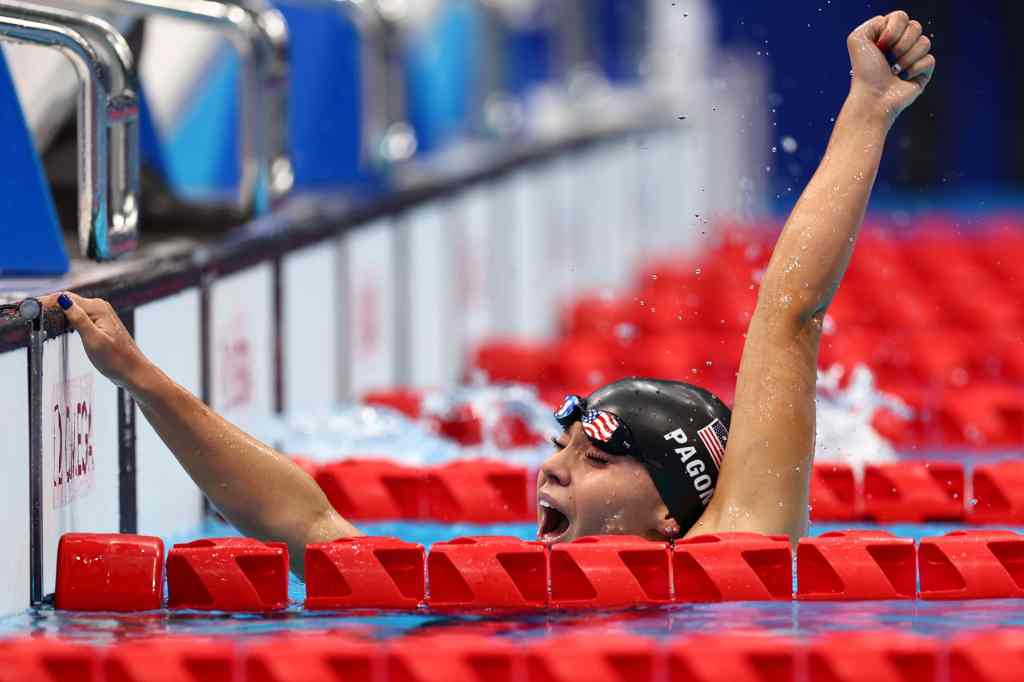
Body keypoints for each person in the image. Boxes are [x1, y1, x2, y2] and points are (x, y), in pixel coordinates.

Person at [44, 10, 934, 578]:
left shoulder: (735, 550)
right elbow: (304, 520)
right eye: (563, 447)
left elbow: (790, 314)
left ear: (674, 507)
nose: (550, 469)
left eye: (594, 457)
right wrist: (137, 373)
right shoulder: (496, 584)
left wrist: (867, 108)